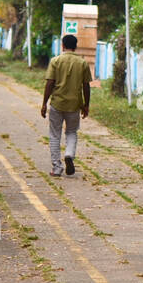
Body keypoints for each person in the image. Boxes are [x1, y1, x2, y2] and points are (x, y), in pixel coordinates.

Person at [41, 33, 91, 176]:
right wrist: (86, 105)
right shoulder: (82, 63)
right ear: (75, 47)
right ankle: (69, 154)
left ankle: (57, 167)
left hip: (57, 103)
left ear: (62, 46)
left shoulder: (55, 61)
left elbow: (50, 83)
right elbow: (86, 86)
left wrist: (44, 103)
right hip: (74, 105)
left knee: (55, 135)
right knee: (71, 132)